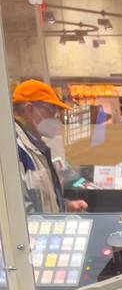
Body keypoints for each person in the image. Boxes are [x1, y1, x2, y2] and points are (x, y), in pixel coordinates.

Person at [12, 80, 87, 213]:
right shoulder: (14, 150)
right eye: (51, 110)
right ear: (29, 110)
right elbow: (20, 212)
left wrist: (64, 206)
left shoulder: (38, 146)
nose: (56, 117)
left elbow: (42, 199)